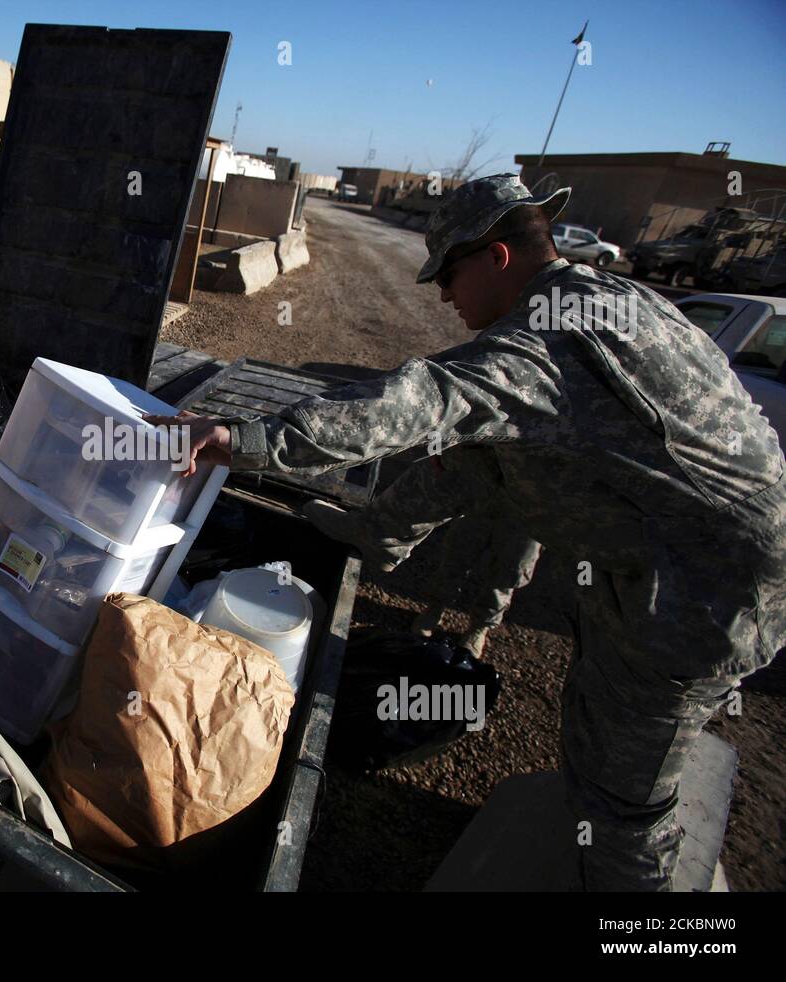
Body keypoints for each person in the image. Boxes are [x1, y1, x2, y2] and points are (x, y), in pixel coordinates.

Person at [152, 173, 786, 891]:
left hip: (700, 589)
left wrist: (242, 437)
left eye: (448, 275)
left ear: (496, 256)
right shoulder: (614, 300)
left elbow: (420, 400)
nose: (444, 296)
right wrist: (380, 529)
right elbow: (477, 461)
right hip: (683, 557)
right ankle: (380, 532)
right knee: (592, 712)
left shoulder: (539, 346)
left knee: (624, 799)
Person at [310, 447, 542, 658]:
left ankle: (481, 626)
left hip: (536, 504)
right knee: (459, 552)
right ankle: (434, 607)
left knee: (510, 569)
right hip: (491, 481)